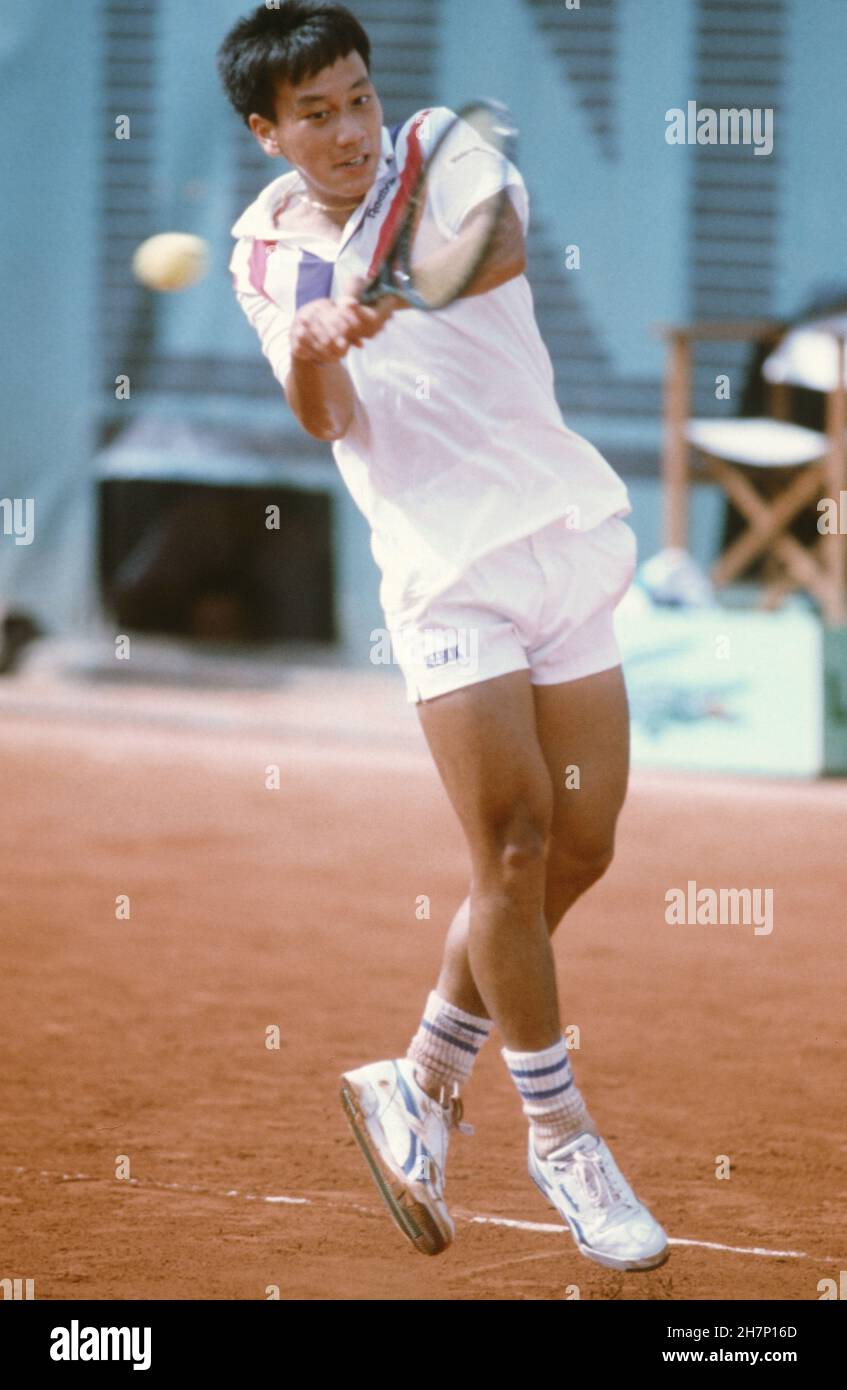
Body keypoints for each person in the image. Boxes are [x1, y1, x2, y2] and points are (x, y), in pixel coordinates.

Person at [218, 0, 669, 1272]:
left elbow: (503, 242)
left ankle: (415, 1082)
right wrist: (316, 344)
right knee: (514, 845)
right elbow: (326, 418)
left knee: (583, 844)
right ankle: (561, 1137)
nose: (351, 126)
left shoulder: (436, 149)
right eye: (315, 112)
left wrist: (380, 286)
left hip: (560, 534)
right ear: (268, 133)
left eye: (356, 95)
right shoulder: (260, 253)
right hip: (442, 572)